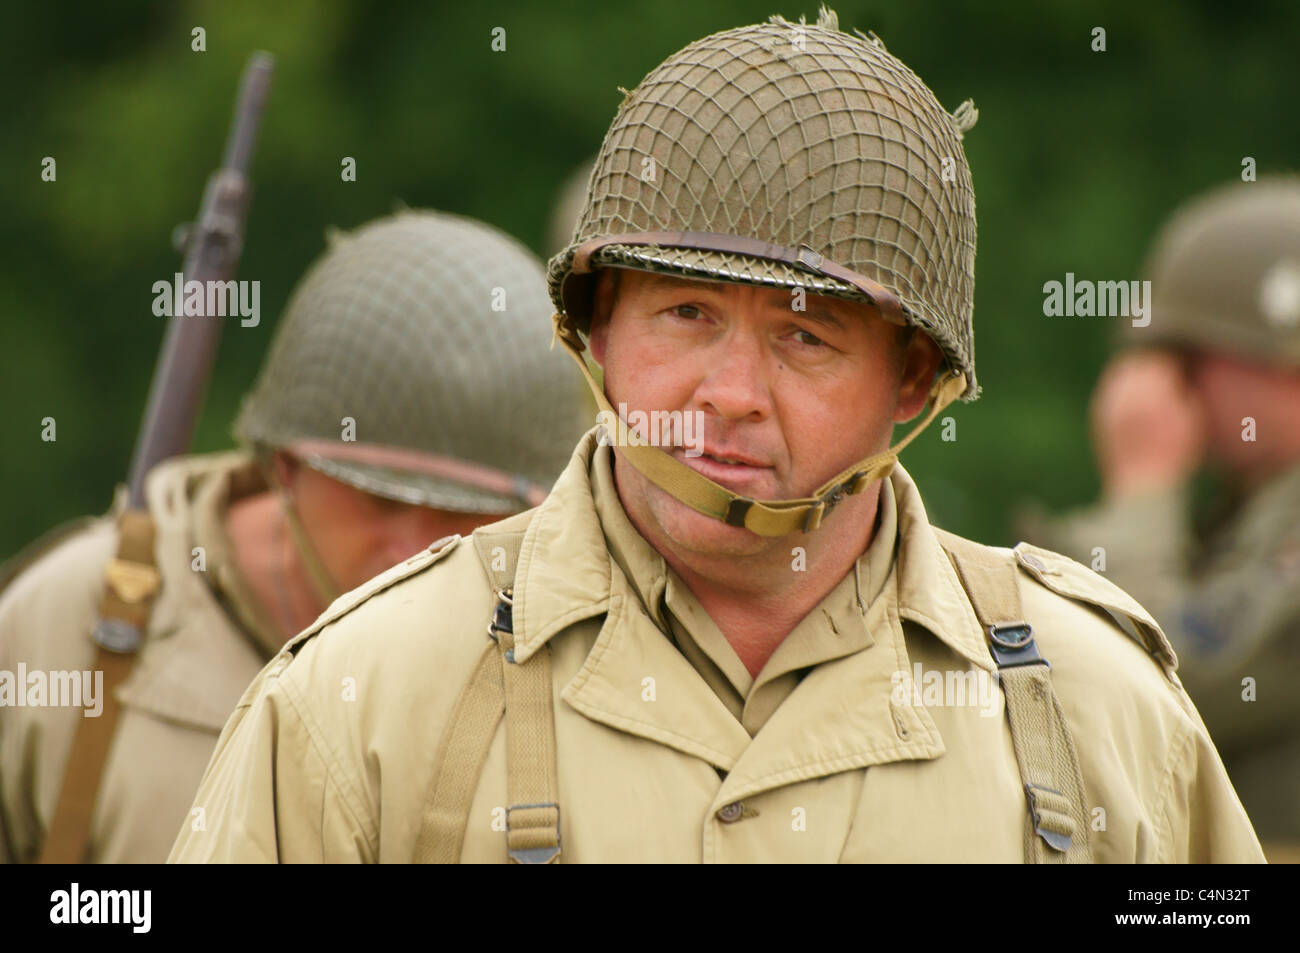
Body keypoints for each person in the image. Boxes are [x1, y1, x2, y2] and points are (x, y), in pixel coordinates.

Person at [170, 11, 1263, 863]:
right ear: (593, 333)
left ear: (912, 381)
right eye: (684, 314)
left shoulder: (1093, 707)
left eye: (805, 337)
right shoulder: (366, 697)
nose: (730, 392)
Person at [0, 209, 587, 862]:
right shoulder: (71, 619)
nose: (415, 547)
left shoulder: (568, 661)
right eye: (378, 498)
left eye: (464, 513)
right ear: (284, 465)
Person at [1020, 177, 1300, 861]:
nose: (1158, 387)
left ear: (1280, 364)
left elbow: (1165, 686)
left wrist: (1142, 493)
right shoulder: (1249, 518)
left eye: (1185, 358)